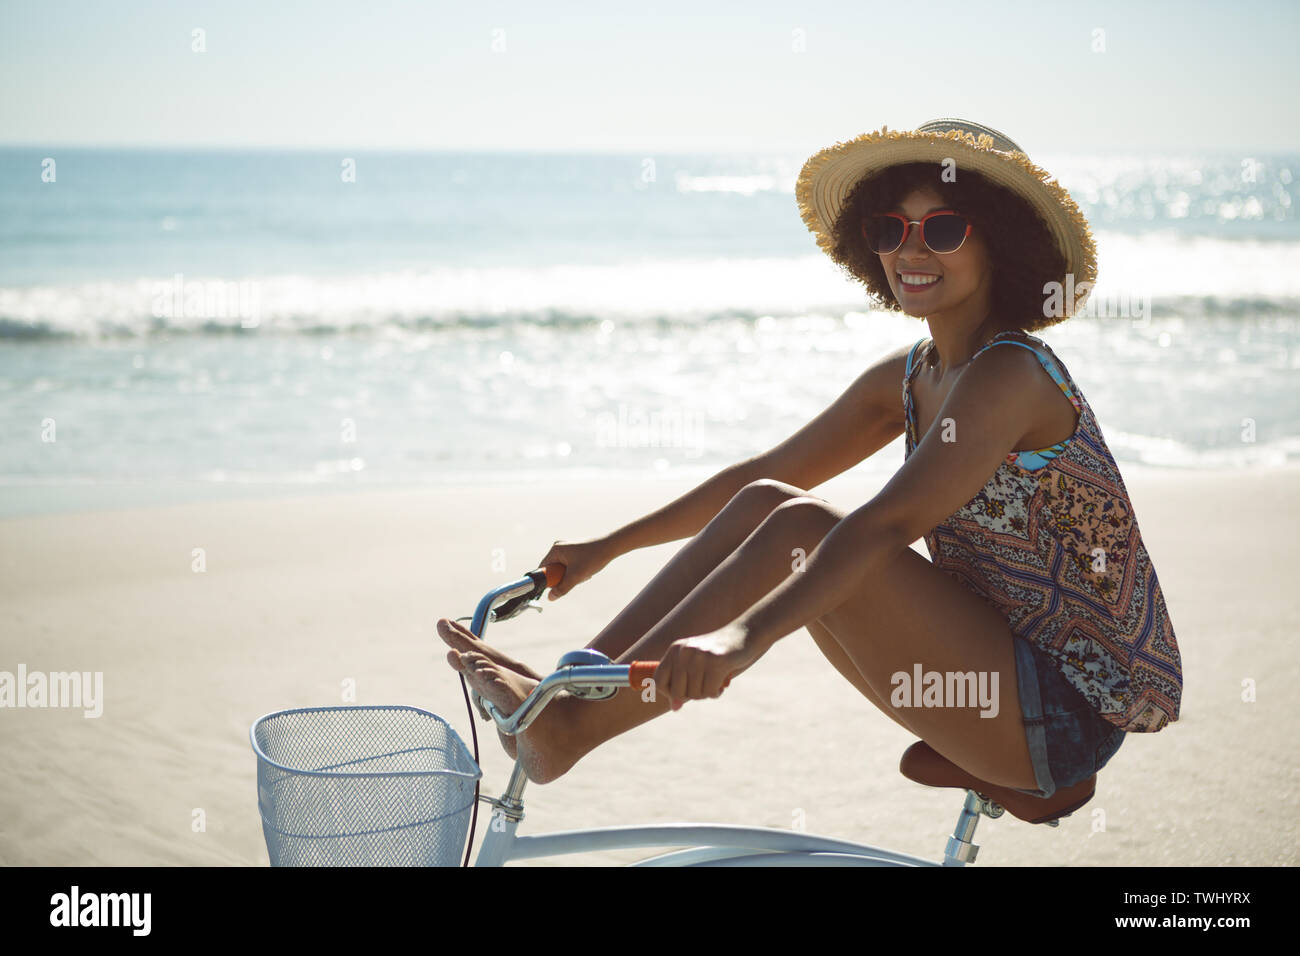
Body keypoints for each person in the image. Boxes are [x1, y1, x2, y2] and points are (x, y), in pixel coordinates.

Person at [437, 118, 1183, 804]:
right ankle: (569, 692)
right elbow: (757, 477)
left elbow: (886, 525)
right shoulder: (916, 374)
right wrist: (611, 545)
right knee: (772, 501)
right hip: (984, 666)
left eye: (944, 228)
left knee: (802, 530)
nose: (911, 250)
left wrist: (739, 641)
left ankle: (566, 729)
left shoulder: (1010, 375)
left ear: (1001, 245)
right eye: (891, 228)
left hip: (1059, 714)